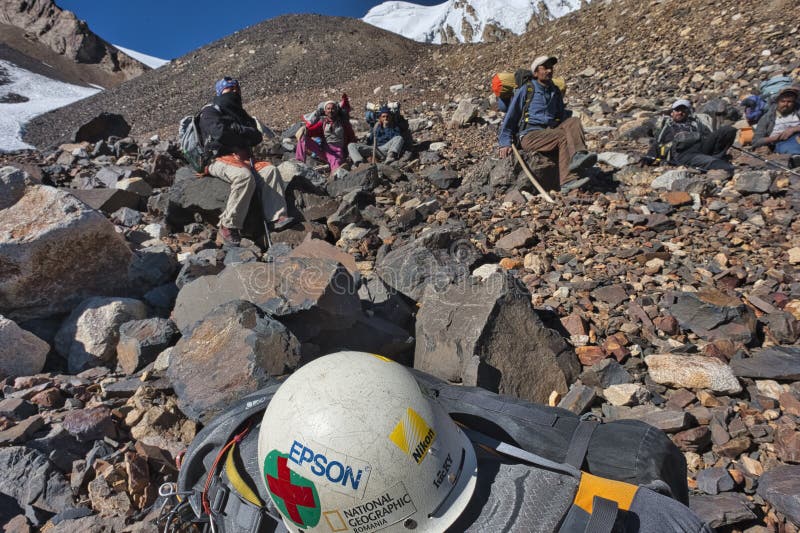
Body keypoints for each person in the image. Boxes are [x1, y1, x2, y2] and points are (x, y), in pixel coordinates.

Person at [198, 76, 293, 246]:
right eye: (229, 89)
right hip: (218, 159)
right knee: (243, 177)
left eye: (236, 88)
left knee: (270, 170)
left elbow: (256, 136)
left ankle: (277, 217)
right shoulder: (210, 111)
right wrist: (243, 132)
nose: (234, 92)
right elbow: (219, 133)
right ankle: (228, 225)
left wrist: (236, 129)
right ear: (220, 91)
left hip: (245, 158)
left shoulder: (242, 114)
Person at [498, 55, 597, 192]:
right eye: (544, 68)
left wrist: (570, 130)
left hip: (549, 131)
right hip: (530, 135)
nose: (549, 71)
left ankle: (578, 156)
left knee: (573, 121)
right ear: (536, 73)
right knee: (562, 136)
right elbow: (511, 116)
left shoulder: (554, 91)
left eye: (550, 68)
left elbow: (561, 115)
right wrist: (505, 142)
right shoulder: (527, 90)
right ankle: (567, 181)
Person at [647, 98, 736, 174]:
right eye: (677, 110)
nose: (680, 113)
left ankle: (717, 156)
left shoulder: (696, 123)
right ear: (672, 113)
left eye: (684, 110)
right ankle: (722, 166)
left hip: (702, 146)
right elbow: (657, 144)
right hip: (684, 153)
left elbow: (709, 136)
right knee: (717, 164)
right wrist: (648, 158)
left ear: (688, 112)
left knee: (728, 130)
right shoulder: (667, 127)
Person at [295, 94, 355, 174]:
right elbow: (311, 131)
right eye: (328, 109)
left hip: (338, 152)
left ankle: (336, 175)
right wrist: (305, 130)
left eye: (333, 108)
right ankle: (299, 162)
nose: (331, 110)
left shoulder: (344, 124)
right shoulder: (322, 123)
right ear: (325, 111)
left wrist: (350, 154)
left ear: (337, 110)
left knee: (336, 162)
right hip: (324, 151)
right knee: (303, 137)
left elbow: (352, 138)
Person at [752, 85, 800, 157]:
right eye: (783, 101)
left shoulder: (798, 112)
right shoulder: (767, 118)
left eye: (790, 102)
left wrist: (794, 129)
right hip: (782, 142)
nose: (786, 104)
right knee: (791, 150)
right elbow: (756, 142)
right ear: (777, 101)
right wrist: (776, 137)